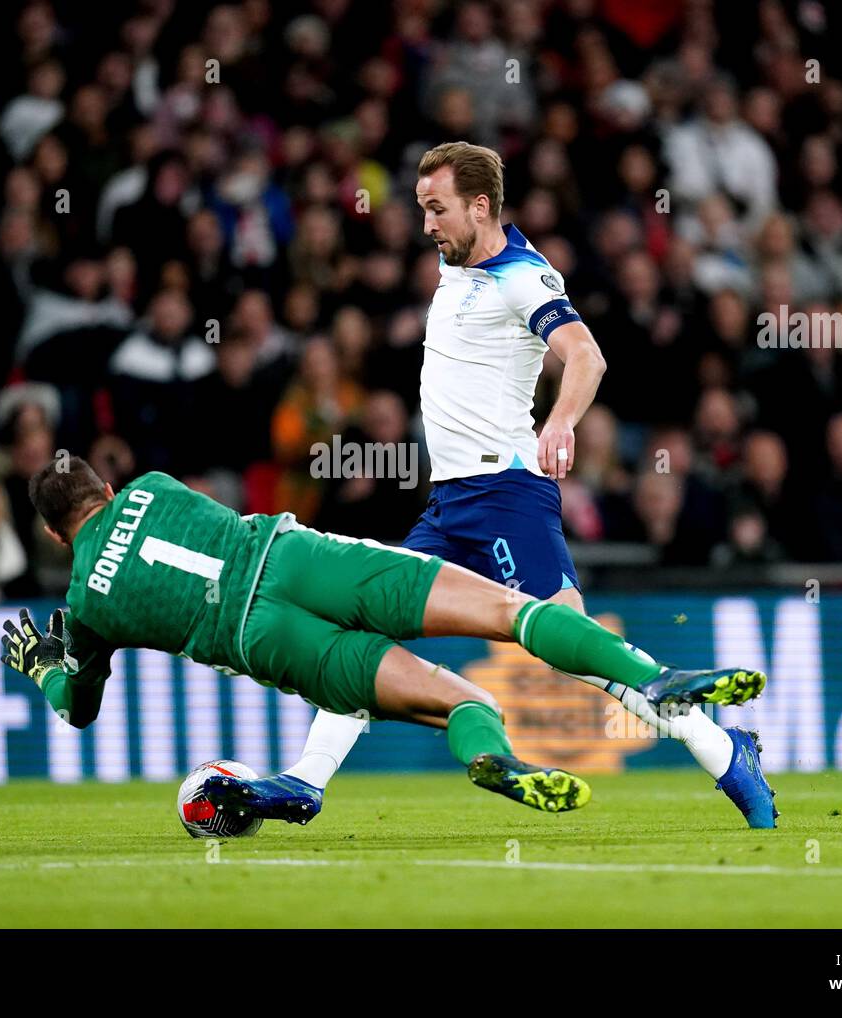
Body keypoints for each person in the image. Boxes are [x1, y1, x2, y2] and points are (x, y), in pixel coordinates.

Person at [268, 142, 780, 828]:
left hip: (505, 492)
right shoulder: (462, 260)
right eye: (422, 210)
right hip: (450, 503)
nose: (427, 226)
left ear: (480, 206)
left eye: (437, 209)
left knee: (566, 641)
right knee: (364, 627)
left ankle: (721, 747)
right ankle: (307, 780)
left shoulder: (523, 278)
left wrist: (562, 421)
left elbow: (586, 356)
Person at [1, 458, 766, 821]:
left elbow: (78, 705)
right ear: (105, 486)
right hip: (298, 560)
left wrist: (46, 669)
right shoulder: (154, 485)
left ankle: (487, 757)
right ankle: (651, 677)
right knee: (508, 610)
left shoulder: (84, 602)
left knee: (459, 696)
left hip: (259, 639)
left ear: (49, 533)